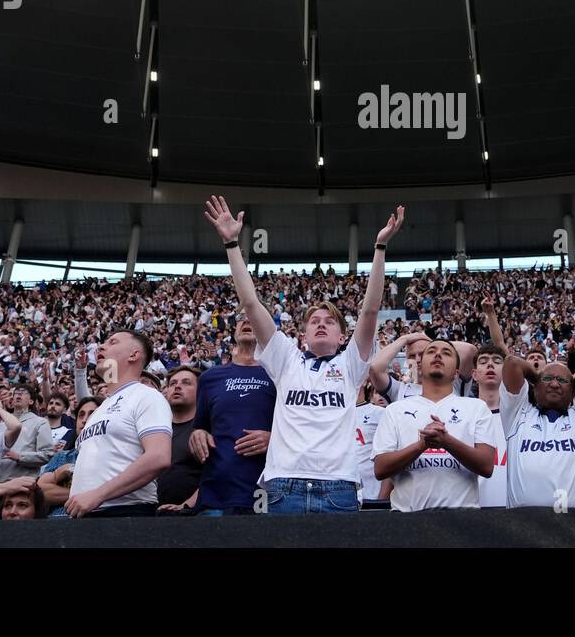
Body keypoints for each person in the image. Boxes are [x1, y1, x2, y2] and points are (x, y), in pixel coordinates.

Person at [204, 195, 401, 514]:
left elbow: (370, 311)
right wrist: (230, 245)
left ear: (342, 336)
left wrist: (380, 248)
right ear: (303, 334)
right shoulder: (285, 358)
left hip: (340, 487)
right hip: (282, 485)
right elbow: (251, 304)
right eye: (314, 321)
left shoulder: (351, 364)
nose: (321, 325)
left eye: (329, 322)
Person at [372, 339, 494, 511]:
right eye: (431, 351)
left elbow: (486, 466)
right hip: (408, 520)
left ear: (457, 373)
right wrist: (421, 446)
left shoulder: (476, 407)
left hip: (463, 519)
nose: (438, 354)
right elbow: (380, 468)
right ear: (419, 367)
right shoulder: (395, 410)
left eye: (446, 353)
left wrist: (446, 442)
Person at [66, 329, 172, 517]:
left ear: (134, 354)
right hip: (84, 513)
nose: (101, 346)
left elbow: (158, 457)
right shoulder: (101, 408)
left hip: (125, 513)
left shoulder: (147, 396)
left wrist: (98, 494)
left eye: (113, 342)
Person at [499, 338, 575, 509]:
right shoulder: (518, 415)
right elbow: (512, 363)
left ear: (573, 392)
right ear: (534, 387)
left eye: (562, 381)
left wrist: (571, 384)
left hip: (574, 523)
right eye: (548, 379)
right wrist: (539, 378)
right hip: (522, 525)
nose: (555, 384)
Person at [185, 318, 274, 516]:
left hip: (267, 493)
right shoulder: (210, 378)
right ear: (233, 332)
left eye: (252, 316)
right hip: (215, 492)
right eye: (241, 318)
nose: (247, 320)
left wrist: (274, 439)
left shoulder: (280, 375)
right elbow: (200, 427)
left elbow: (297, 428)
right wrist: (197, 434)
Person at [37, 396, 101, 519]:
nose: (85, 420)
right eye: (81, 415)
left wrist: (59, 490)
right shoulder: (63, 457)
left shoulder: (114, 454)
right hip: (58, 522)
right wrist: (57, 473)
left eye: (92, 414)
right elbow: (40, 492)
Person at [156, 366, 205, 510]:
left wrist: (186, 505)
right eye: (173, 383)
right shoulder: (157, 431)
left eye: (186, 382)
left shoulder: (207, 429)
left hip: (197, 516)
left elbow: (215, 474)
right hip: (154, 517)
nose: (177, 386)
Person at [471, 341, 508, 507]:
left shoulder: (519, 418)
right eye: (483, 361)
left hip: (515, 515)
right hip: (471, 513)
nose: (490, 364)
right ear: (474, 374)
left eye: (497, 361)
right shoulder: (463, 416)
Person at [0, 383, 54, 482]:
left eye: (23, 393)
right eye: (16, 393)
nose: (18, 395)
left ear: (31, 401)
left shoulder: (40, 422)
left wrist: (19, 457)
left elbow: (47, 454)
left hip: (23, 482)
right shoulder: (0, 425)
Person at [354, 378, 386, 504]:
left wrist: (382, 500)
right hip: (338, 496)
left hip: (371, 496)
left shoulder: (380, 413)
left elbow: (389, 456)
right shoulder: (332, 414)